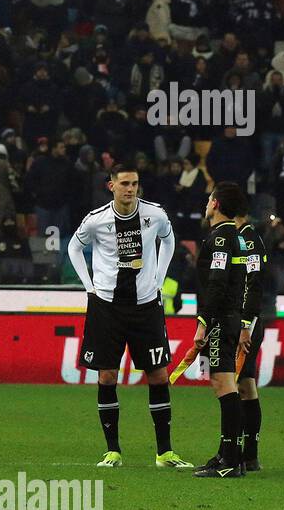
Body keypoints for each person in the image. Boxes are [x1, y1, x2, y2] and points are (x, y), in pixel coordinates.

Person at [67, 163, 191, 469]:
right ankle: (113, 451)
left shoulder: (155, 214)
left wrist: (159, 279)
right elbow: (73, 247)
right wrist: (90, 288)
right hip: (106, 306)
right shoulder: (97, 221)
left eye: (134, 183)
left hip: (146, 305)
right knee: (107, 375)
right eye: (124, 183)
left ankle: (165, 453)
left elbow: (169, 240)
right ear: (112, 186)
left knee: (159, 374)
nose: (130, 189)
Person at [192, 182, 250, 479]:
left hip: (221, 318)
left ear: (215, 203)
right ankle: (230, 455)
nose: (206, 204)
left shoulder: (221, 238)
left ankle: (229, 459)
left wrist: (204, 321)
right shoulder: (233, 237)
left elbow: (217, 282)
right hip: (229, 316)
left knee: (223, 384)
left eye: (208, 199)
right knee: (225, 383)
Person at [235, 212, 269, 472]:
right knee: (245, 384)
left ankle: (235, 452)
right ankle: (249, 455)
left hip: (245, 322)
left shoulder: (247, 241)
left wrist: (246, 322)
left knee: (234, 384)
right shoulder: (244, 238)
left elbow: (253, 282)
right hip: (244, 319)